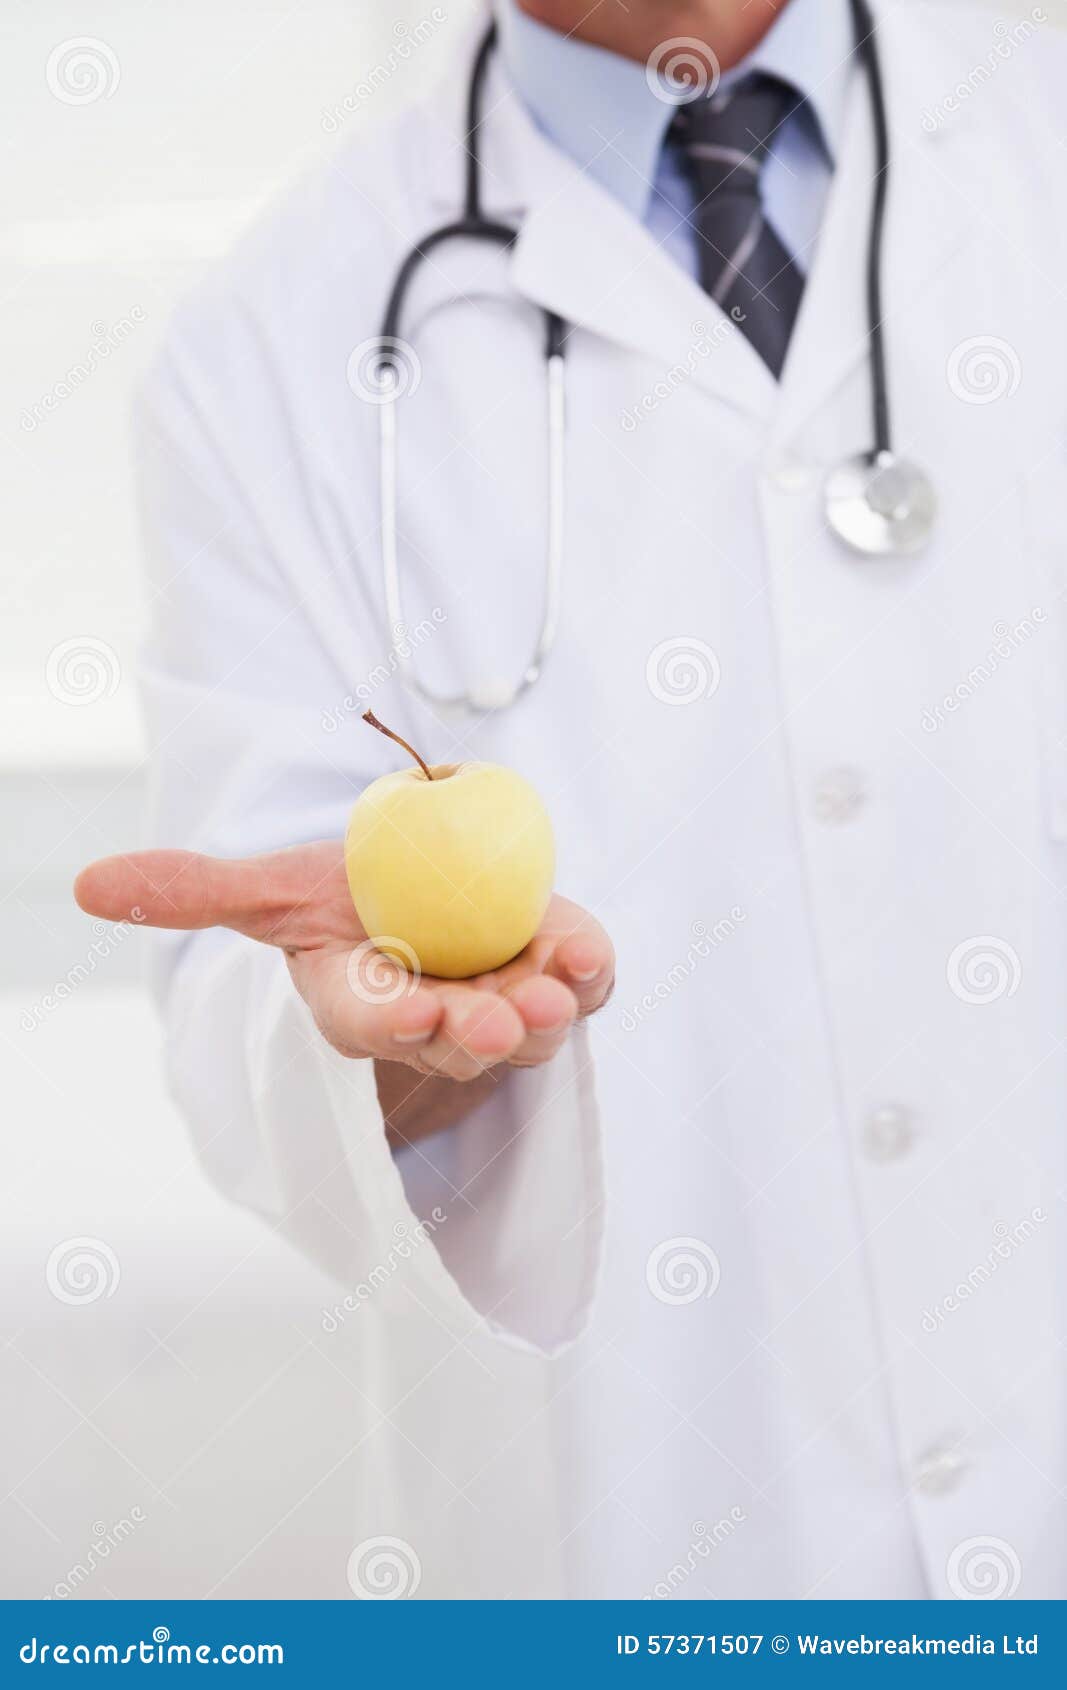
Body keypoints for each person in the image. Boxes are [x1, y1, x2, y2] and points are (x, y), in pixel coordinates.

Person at [76, 0, 1067, 1598]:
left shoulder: (1035, 133)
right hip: (663, 1550)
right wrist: (398, 1065)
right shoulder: (259, 350)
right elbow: (257, 1021)